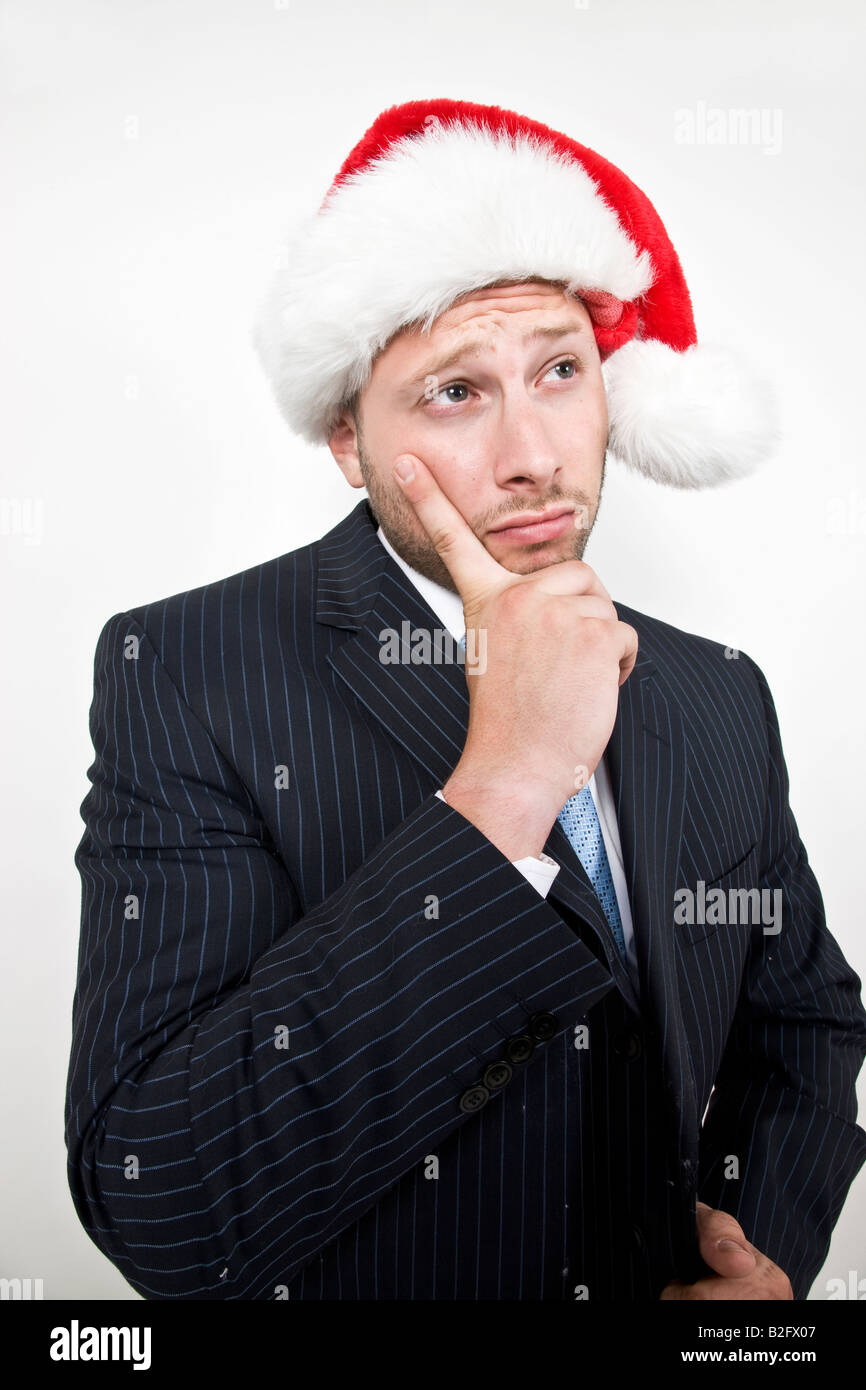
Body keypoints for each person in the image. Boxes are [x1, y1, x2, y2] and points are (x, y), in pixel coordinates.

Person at [66, 98, 866, 1301]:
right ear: (346, 436)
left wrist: (759, 1259)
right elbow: (165, 1198)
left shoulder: (716, 688)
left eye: (558, 370)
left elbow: (799, 1028)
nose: (531, 453)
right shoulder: (183, 669)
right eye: (453, 392)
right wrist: (503, 786)